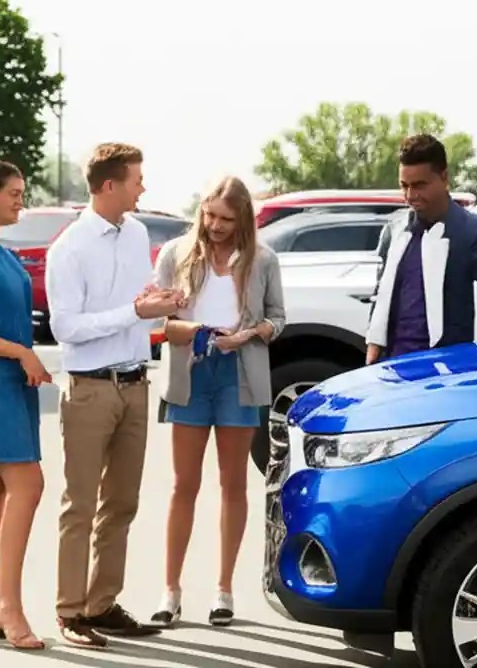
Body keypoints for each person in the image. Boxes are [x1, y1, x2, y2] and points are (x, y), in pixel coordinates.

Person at [45, 143, 183, 648]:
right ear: (109, 186)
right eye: (136, 179)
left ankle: (101, 605)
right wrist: (135, 312)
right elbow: (65, 329)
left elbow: (137, 299)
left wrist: (160, 302)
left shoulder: (138, 233)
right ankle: (69, 612)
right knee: (79, 506)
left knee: (121, 503)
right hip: (89, 390)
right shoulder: (70, 247)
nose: (142, 187)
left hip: (134, 384)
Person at [148, 176, 285, 628]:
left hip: (239, 372)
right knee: (183, 484)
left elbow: (278, 319)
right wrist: (191, 329)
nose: (215, 225)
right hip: (191, 370)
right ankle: (170, 590)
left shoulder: (263, 259)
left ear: (243, 217)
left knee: (233, 484)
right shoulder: (176, 254)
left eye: (226, 218)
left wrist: (250, 334)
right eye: (209, 215)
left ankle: (224, 589)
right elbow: (158, 321)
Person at [0, 159, 51, 650]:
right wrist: (21, 351)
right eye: (13, 193)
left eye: (23, 191)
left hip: (16, 382)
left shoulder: (5, 253)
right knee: (28, 482)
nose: (21, 199)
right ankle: (10, 606)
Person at [366, 134, 477, 363]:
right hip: (393, 369)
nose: (410, 196)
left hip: (448, 372)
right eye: (404, 186)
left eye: (419, 185)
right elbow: (381, 298)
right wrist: (371, 359)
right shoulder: (395, 231)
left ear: (444, 177)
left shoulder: (475, 231)